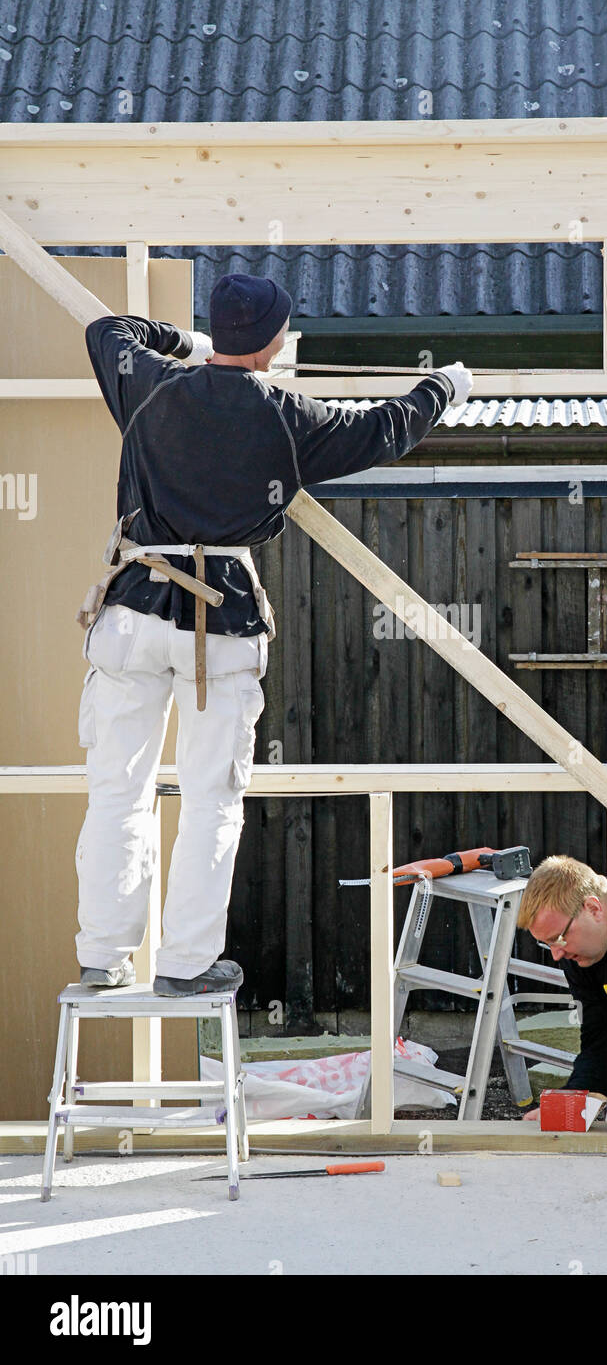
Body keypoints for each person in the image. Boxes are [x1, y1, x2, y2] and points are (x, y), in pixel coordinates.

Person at [75, 272, 472, 996]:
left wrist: (186, 343)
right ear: (276, 342)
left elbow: (108, 332)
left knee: (117, 791)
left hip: (131, 612)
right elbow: (385, 430)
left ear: (220, 334)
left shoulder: (152, 386)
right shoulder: (289, 415)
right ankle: (186, 963)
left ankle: (103, 954)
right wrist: (443, 387)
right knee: (211, 800)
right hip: (218, 626)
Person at [517, 855, 607, 1120]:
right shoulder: (579, 956)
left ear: (593, 909)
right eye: (548, 944)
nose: (556, 956)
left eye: (558, 938)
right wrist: (576, 1094)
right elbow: (599, 1029)